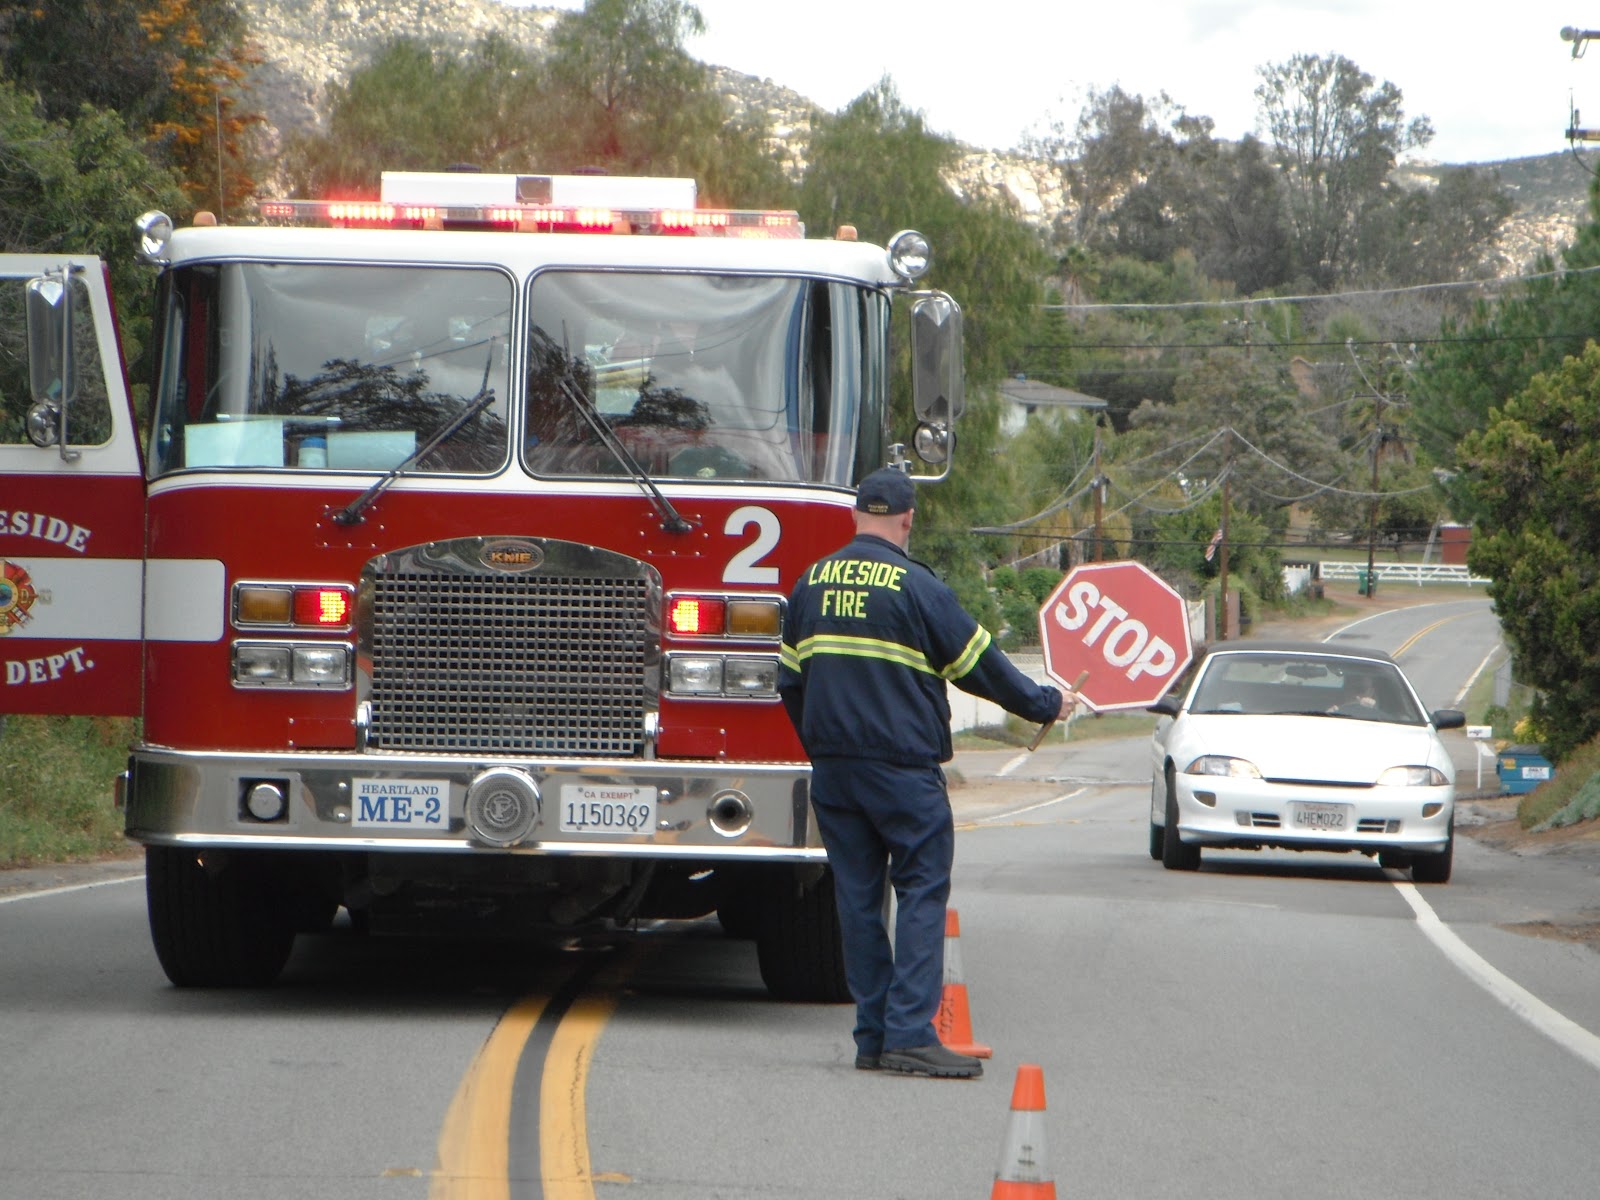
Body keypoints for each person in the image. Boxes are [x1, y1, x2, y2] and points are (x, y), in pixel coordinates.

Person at [778, 467, 1077, 1079]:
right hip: (901, 771)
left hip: (835, 772)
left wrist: (823, 746)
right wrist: (1045, 704)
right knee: (919, 890)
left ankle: (872, 1035)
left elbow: (789, 683)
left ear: (856, 514)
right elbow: (981, 665)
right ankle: (910, 1034)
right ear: (909, 518)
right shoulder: (917, 589)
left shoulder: (810, 585)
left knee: (858, 900)